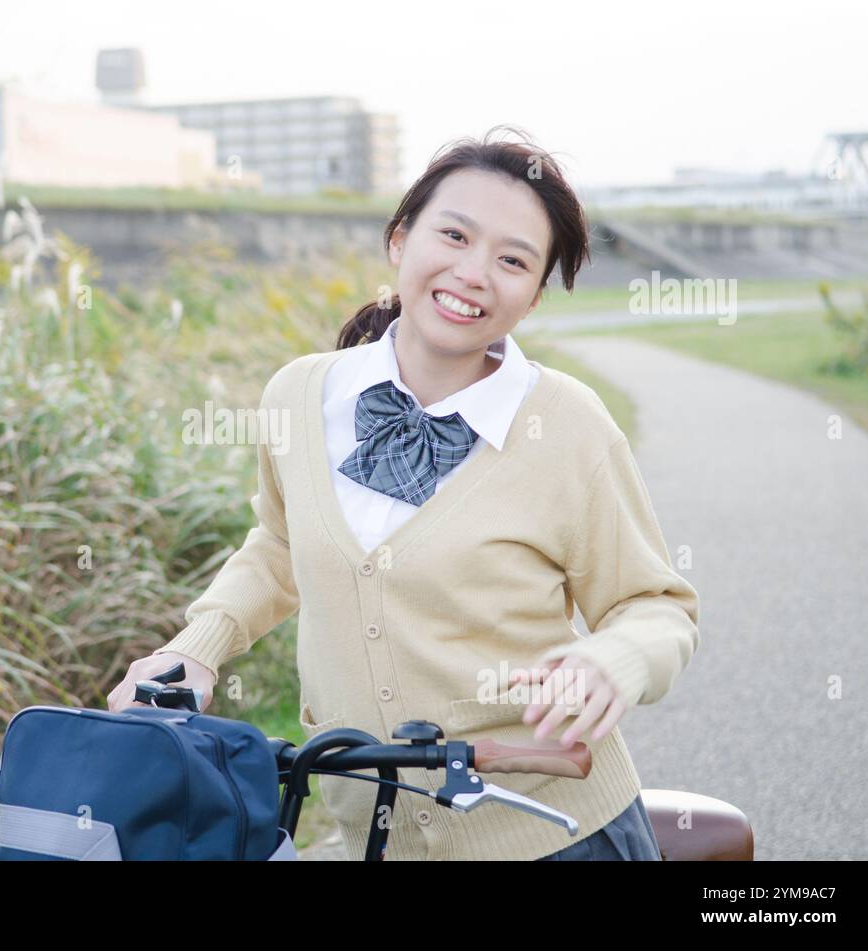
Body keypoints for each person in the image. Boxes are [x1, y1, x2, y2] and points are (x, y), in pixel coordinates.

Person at [107, 126, 698, 861]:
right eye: (454, 235)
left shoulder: (568, 426)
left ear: (534, 294)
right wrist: (197, 649)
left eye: (512, 259)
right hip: (372, 833)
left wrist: (618, 659)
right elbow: (280, 545)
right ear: (399, 241)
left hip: (554, 828)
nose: (475, 272)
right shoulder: (298, 394)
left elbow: (656, 606)